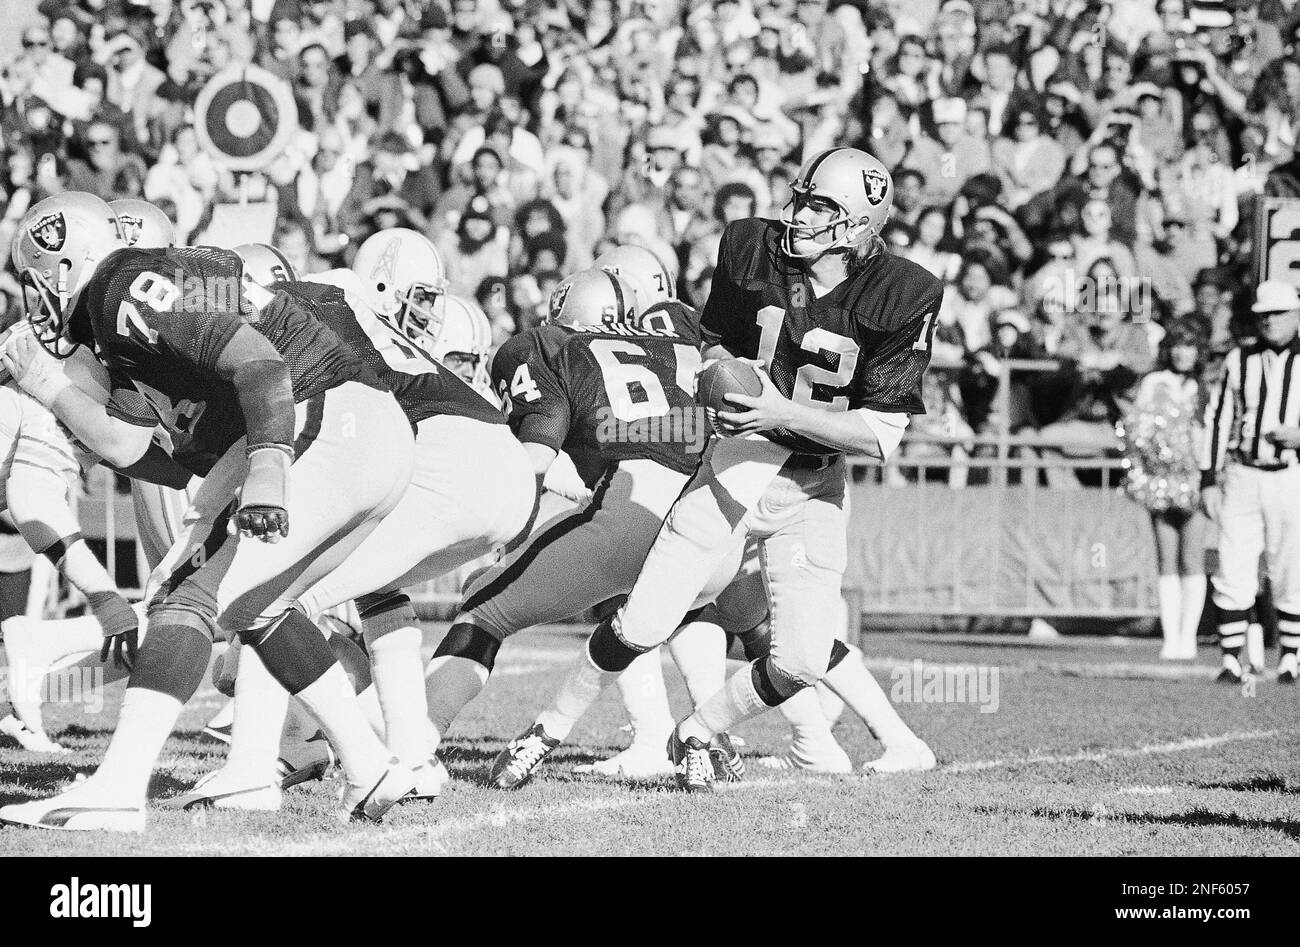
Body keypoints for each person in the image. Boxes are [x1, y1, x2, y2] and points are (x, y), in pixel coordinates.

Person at [492, 147, 941, 792]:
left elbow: (880, 432)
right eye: (802, 197)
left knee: (800, 662)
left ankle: (700, 728)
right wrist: (719, 377)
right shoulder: (751, 249)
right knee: (643, 620)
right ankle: (545, 729)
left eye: (820, 207)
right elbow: (716, 342)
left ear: (858, 223)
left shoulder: (903, 293)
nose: (798, 216)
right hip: (738, 459)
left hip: (813, 479)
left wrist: (776, 409)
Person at [0, 192, 417, 831]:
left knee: (179, 595)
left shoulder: (121, 286)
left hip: (316, 412)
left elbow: (260, 363)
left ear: (69, 258)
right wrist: (59, 390)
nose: (37, 298)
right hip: (365, 427)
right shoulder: (123, 316)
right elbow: (131, 447)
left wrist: (271, 466)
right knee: (258, 606)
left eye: (38, 278)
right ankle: (368, 764)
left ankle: (116, 789)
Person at [173, 234, 534, 810]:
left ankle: (256, 766)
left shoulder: (290, 312)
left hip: (447, 462)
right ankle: (406, 756)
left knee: (272, 594)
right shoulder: (347, 305)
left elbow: (274, 425)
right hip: (490, 465)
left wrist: (198, 523)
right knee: (369, 592)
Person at [1200, 279, 1300, 684]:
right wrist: (1208, 477)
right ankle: (1230, 658)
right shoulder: (1239, 360)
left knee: (1291, 563)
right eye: (1263, 315)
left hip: (1291, 473)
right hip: (1244, 472)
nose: (1269, 321)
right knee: (1234, 559)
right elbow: (1218, 418)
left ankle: (1291, 658)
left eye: (1277, 313)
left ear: (1295, 315)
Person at [1124, 324, 1208, 660]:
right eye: (1176, 345)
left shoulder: (1205, 387)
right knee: (1166, 559)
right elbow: (1139, 429)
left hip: (1197, 479)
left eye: (1189, 345)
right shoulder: (1153, 383)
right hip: (1161, 480)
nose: (1182, 352)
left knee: (1193, 559)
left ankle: (1188, 637)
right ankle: (1171, 637)